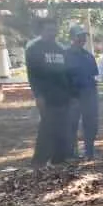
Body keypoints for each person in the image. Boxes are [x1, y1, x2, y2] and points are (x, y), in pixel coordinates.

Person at [26, 18, 75, 167]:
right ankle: (39, 161)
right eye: (48, 30)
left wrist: (72, 94)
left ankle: (59, 159)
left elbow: (68, 74)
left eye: (54, 30)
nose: (52, 33)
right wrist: (38, 95)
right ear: (42, 31)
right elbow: (33, 75)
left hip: (63, 96)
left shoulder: (61, 49)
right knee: (47, 128)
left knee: (63, 128)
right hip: (46, 97)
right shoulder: (34, 49)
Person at [65, 25, 100, 159]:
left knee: (91, 124)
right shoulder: (65, 55)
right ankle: (72, 152)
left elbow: (93, 75)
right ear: (72, 38)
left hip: (89, 95)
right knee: (71, 125)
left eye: (84, 36)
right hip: (72, 96)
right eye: (79, 36)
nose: (82, 39)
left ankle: (89, 151)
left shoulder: (88, 56)